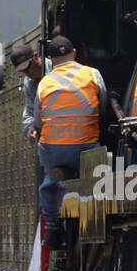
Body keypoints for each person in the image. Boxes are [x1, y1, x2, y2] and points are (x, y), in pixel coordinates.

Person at [34, 35, 107, 247]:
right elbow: (100, 109)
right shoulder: (92, 74)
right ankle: (93, 219)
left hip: (54, 152)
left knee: (49, 180)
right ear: (74, 53)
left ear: (51, 59)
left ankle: (53, 228)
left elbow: (38, 122)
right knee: (97, 166)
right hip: (86, 149)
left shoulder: (44, 83)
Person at [11, 42, 49, 141]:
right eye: (22, 70)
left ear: (36, 56)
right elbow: (29, 113)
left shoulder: (56, 69)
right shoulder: (29, 83)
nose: (27, 73)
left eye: (27, 67)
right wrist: (31, 129)